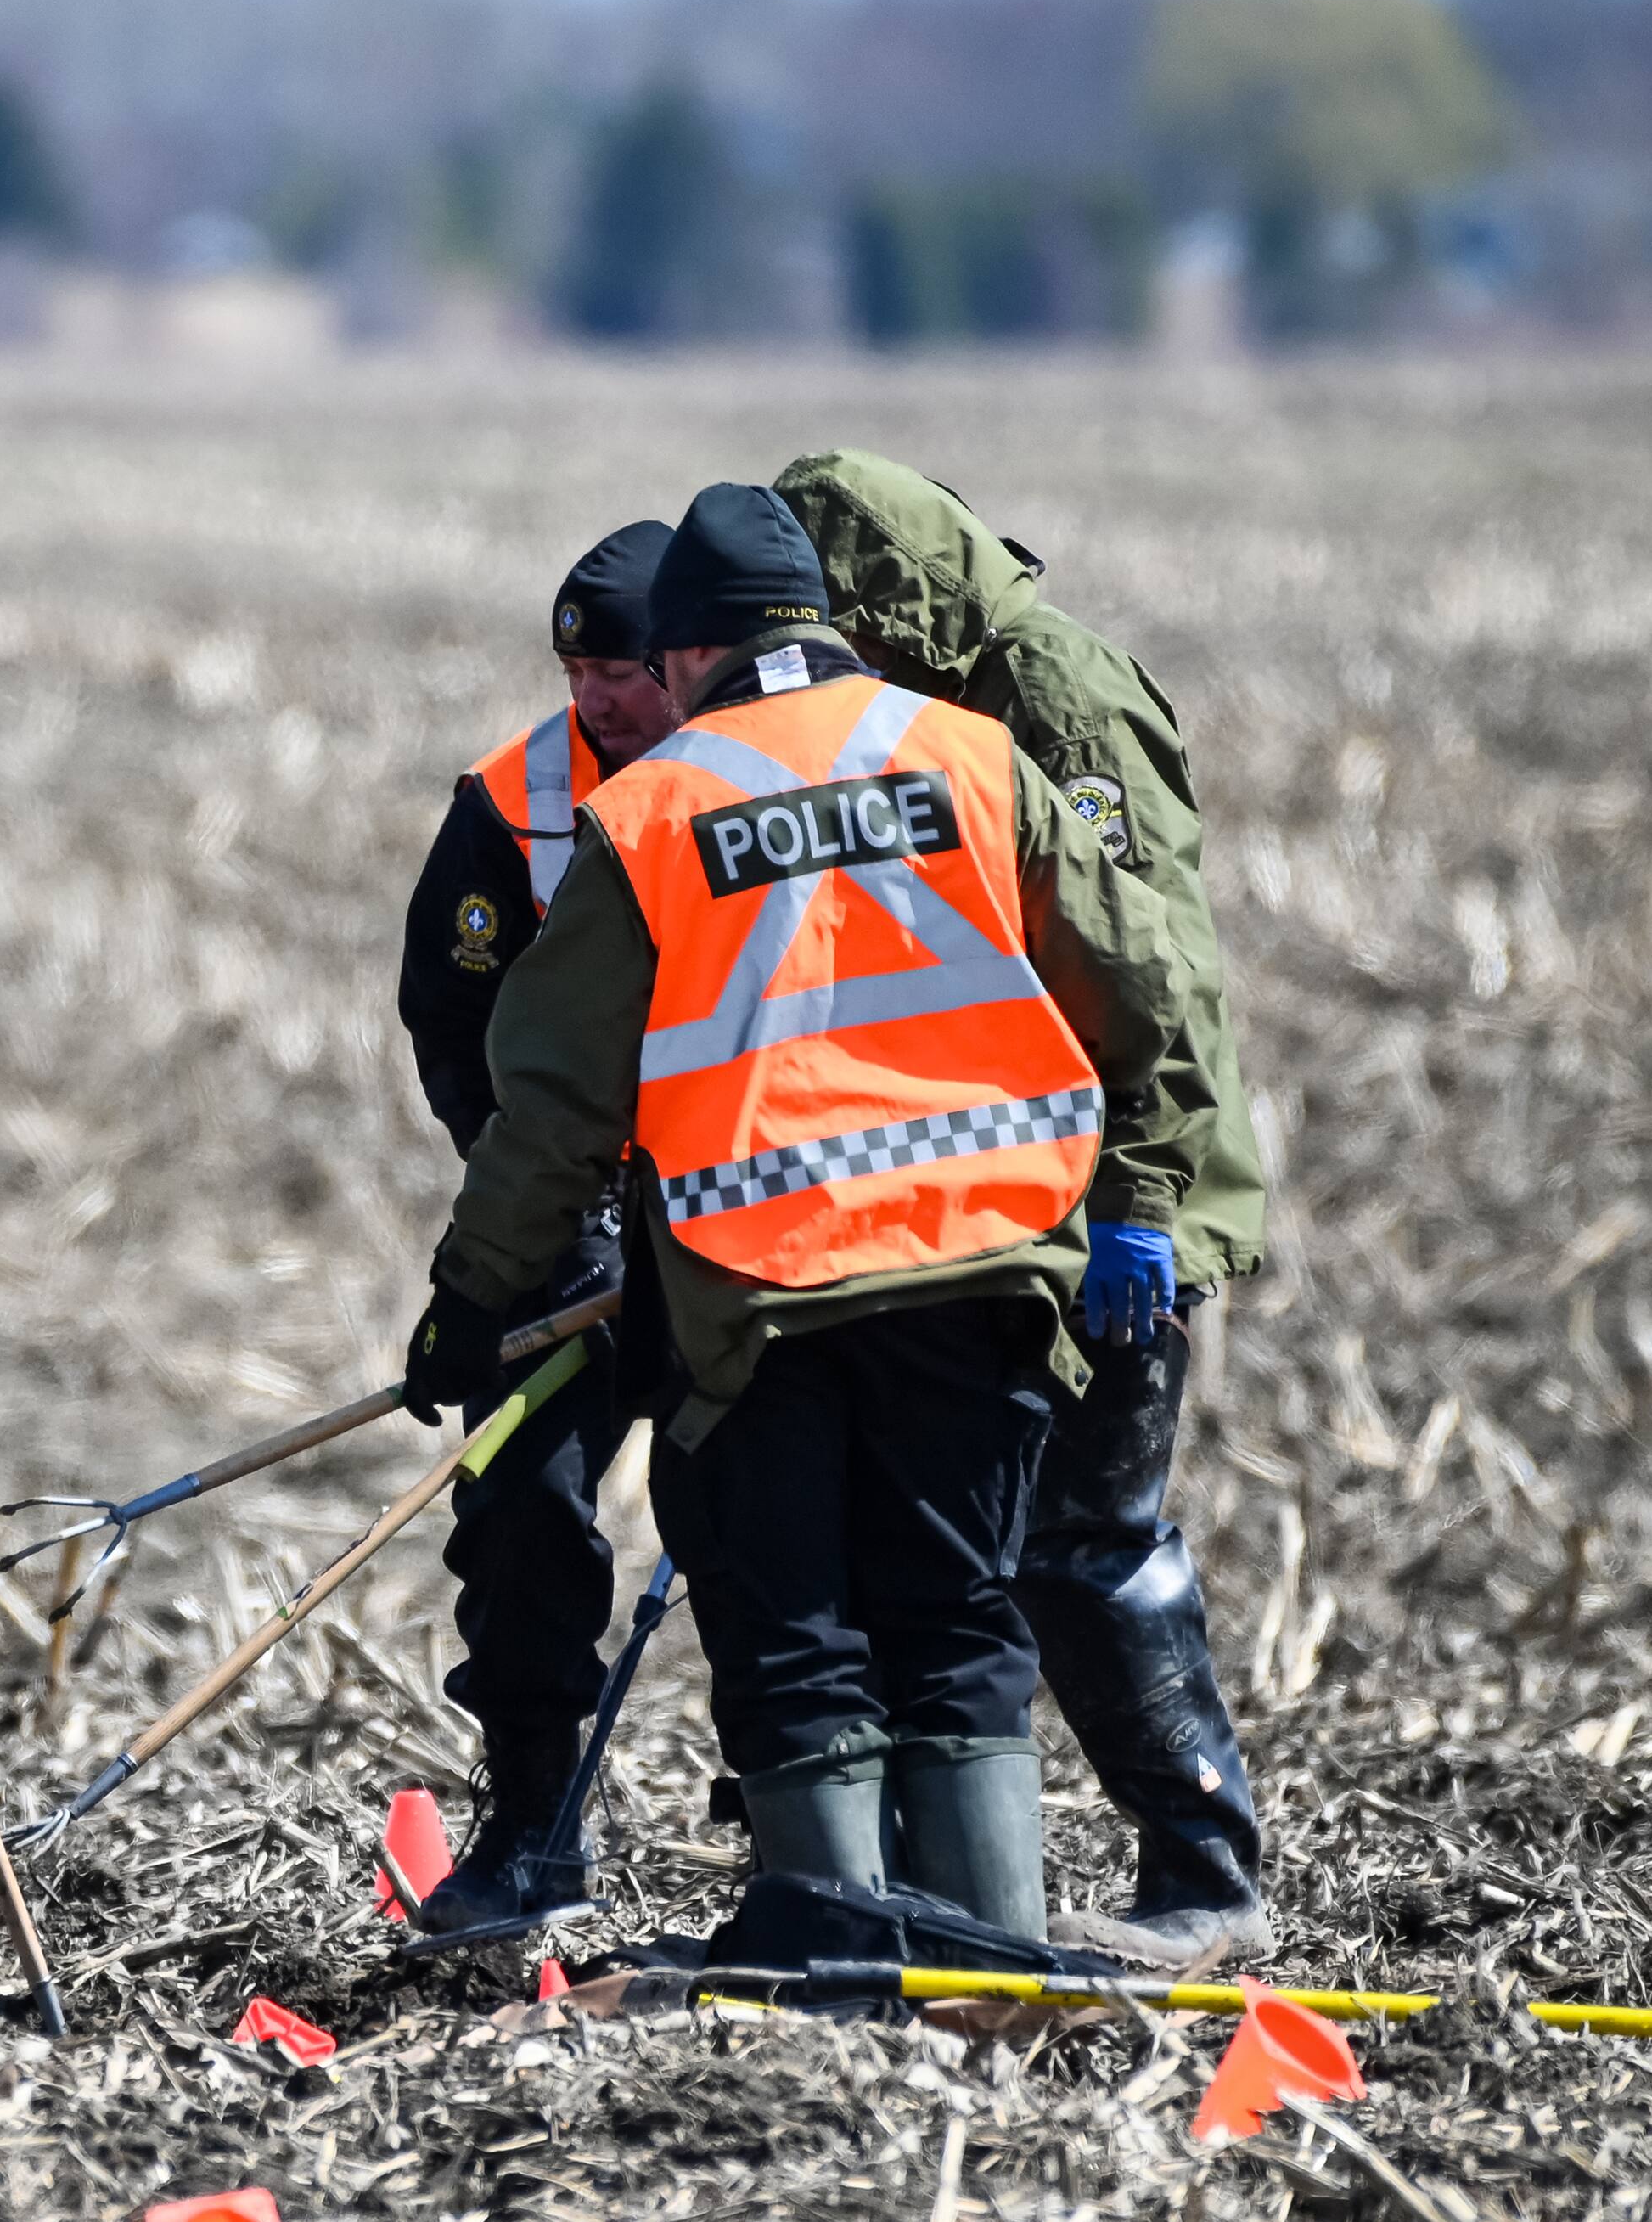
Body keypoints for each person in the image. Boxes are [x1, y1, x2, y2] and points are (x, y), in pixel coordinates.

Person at [405, 483, 1201, 1942]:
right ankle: (997, 1962)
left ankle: (843, 1955)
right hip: (983, 1283)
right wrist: (1143, 1196)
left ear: (690, 651)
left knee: (794, 1642)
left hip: (762, 1294)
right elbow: (1147, 991)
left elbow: (553, 1107)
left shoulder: (650, 811)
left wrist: (475, 1296)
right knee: (963, 1623)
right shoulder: (968, 752)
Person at [773, 452, 1272, 1964]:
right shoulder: (934, 710)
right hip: (1013, 1203)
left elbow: (1147, 974)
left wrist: (1136, 1203)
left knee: (1089, 1540)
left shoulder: (1047, 690)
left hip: (1120, 1209)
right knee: (968, 1545)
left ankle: (1206, 1883)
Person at [389, 521, 680, 1938]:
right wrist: (533, 1202)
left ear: (687, 657)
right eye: (575, 667)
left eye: (621, 668)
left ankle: (806, 1835)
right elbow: (449, 1019)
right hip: (562, 1230)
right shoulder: (510, 804)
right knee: (518, 1509)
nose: (596, 699)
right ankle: (526, 1828)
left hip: (740, 1231)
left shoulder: (770, 773)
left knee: (767, 1517)